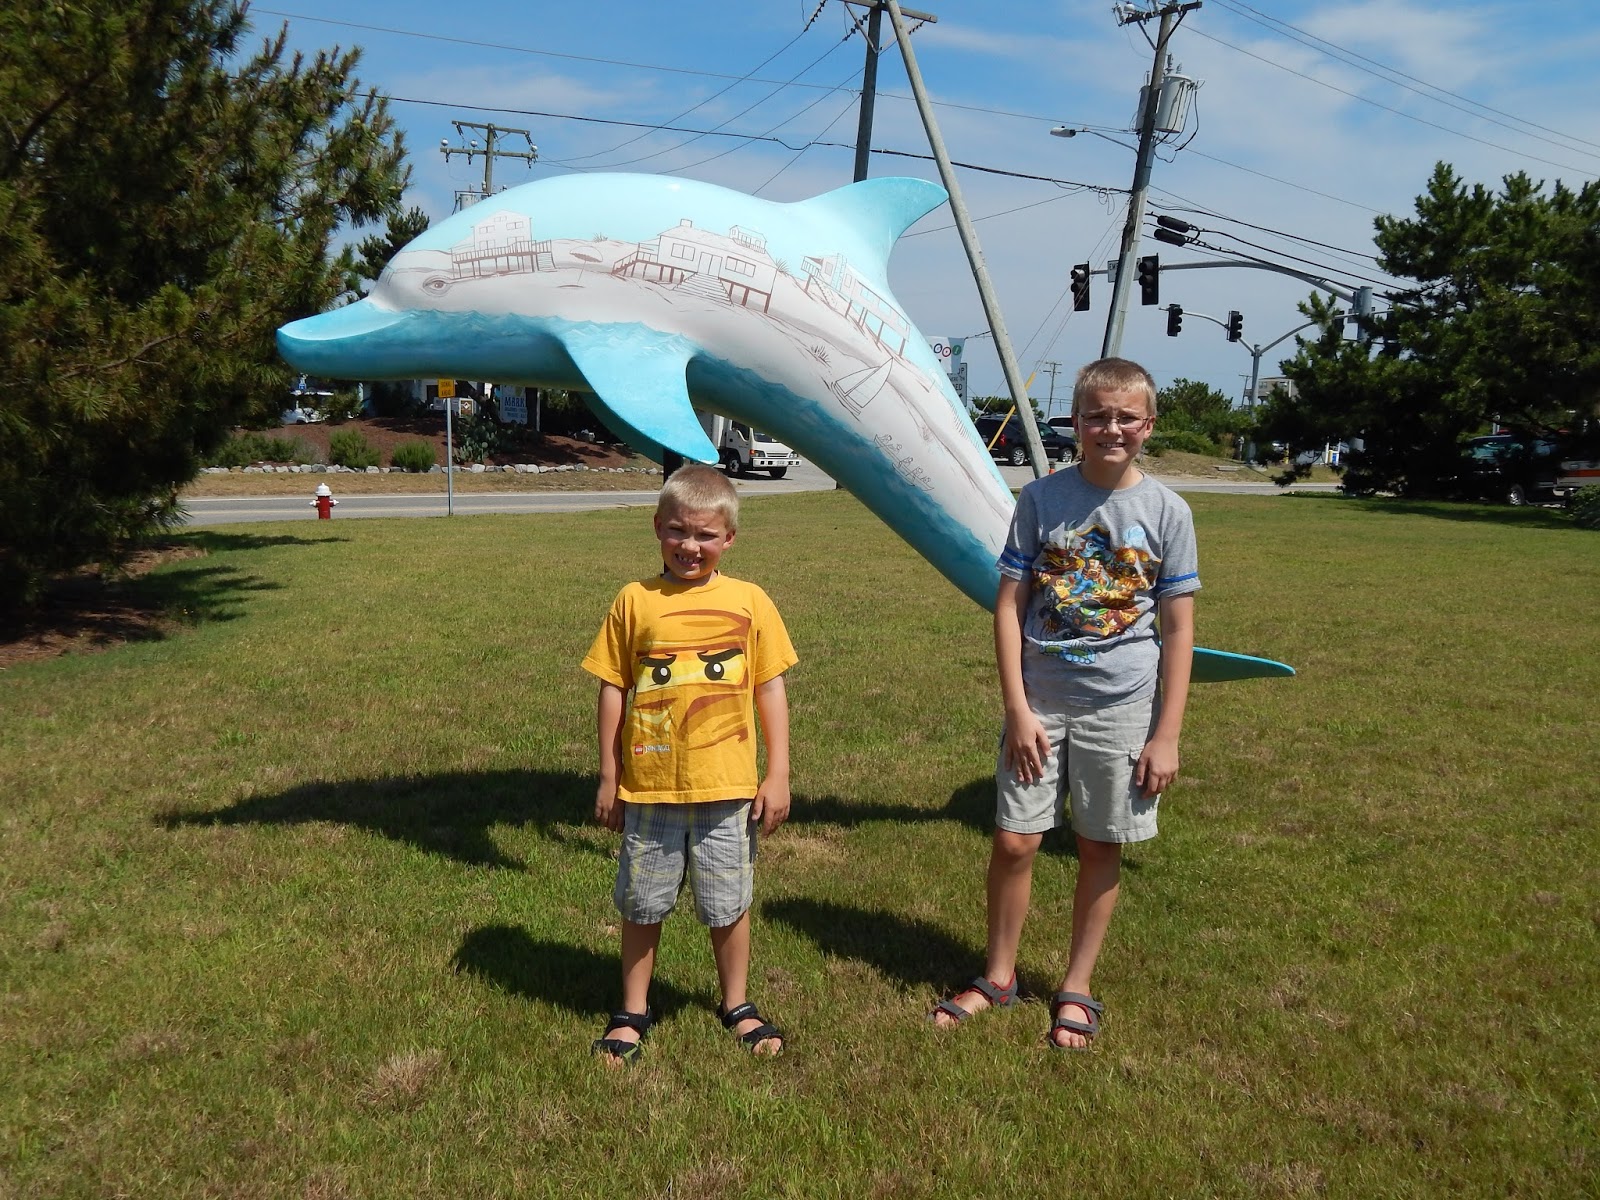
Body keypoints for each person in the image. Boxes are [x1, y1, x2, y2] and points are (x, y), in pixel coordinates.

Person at [930, 357, 1199, 1049]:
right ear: (1074, 423)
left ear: (1148, 424)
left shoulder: (1169, 512)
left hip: (1124, 707)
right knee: (1016, 840)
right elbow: (1009, 605)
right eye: (1096, 416)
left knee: (1097, 843)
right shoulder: (1040, 500)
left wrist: (1165, 734)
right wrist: (1018, 709)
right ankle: (999, 975)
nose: (1111, 428)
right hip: (1041, 703)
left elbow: (1177, 626)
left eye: (1125, 417)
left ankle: (1076, 986)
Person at [582, 464, 797, 1064]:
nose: (690, 546)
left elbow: (771, 688)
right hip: (648, 789)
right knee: (642, 902)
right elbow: (613, 688)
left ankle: (736, 1003)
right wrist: (609, 775)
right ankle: (632, 1008)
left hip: (727, 788)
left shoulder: (750, 601)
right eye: (677, 531)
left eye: (705, 535)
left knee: (727, 903)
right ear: (657, 528)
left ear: (729, 538)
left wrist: (776, 773)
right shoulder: (634, 600)